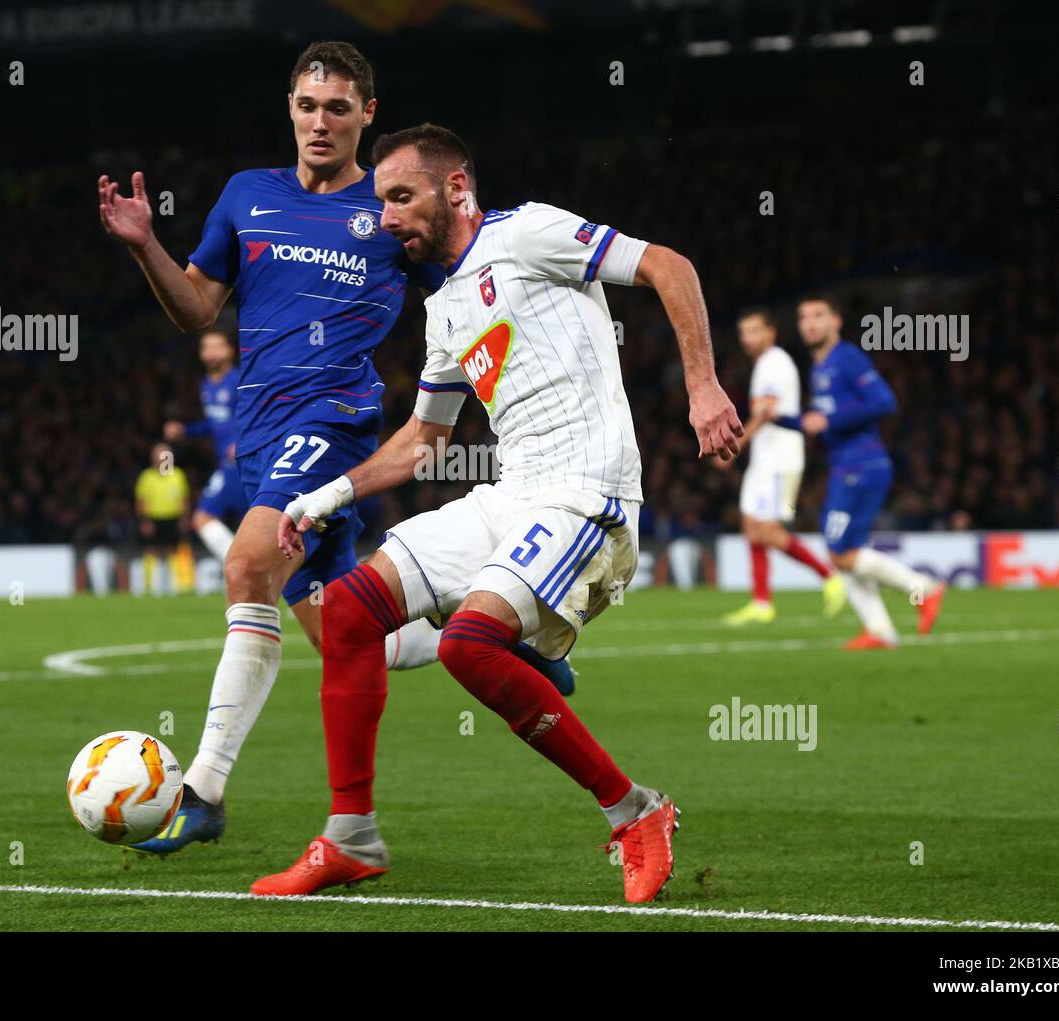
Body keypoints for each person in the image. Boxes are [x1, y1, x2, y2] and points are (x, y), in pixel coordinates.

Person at [99, 42, 570, 857]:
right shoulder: (248, 195)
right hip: (259, 430)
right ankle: (508, 640)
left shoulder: (390, 213)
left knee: (247, 564)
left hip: (334, 419)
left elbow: (468, 277)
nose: (322, 122)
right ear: (289, 107)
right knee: (348, 632)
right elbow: (196, 309)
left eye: (339, 108)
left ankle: (204, 789)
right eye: (309, 106)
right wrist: (146, 245)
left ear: (367, 115)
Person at [252, 123, 742, 903]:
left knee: (468, 646)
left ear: (455, 189)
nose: (385, 217)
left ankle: (635, 809)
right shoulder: (445, 305)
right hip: (512, 495)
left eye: (401, 197)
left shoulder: (531, 232)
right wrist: (326, 495)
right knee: (345, 613)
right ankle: (351, 835)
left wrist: (703, 385)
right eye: (380, 202)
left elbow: (667, 266)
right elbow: (424, 440)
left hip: (588, 491)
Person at [796, 295, 946, 649]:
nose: (810, 323)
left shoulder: (847, 358)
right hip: (847, 466)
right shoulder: (819, 368)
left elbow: (884, 401)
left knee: (839, 553)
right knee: (847, 553)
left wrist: (829, 420)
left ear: (836, 322)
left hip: (861, 466)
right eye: (804, 317)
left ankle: (924, 588)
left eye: (818, 315)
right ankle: (880, 631)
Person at [717, 307, 843, 625]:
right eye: (744, 332)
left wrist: (736, 446)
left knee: (768, 531)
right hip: (766, 458)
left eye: (754, 331)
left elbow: (766, 411)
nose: (748, 338)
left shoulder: (774, 363)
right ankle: (761, 603)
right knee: (751, 528)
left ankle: (831, 576)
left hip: (779, 459)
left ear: (770, 332)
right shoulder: (766, 364)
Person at [164, 328, 241, 563]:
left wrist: (243, 442)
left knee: (203, 517)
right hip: (227, 462)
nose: (210, 352)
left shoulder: (239, 381)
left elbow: (257, 415)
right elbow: (215, 423)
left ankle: (239, 566)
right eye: (206, 347)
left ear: (230, 351)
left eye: (217, 346)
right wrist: (185, 430)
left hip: (240, 461)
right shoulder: (207, 385)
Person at [134, 443, 192, 594]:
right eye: (158, 455)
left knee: (175, 551)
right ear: (152, 458)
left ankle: (179, 586)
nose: (162, 459)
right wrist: (144, 521)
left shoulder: (178, 475)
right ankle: (148, 587)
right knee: (151, 551)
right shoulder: (147, 477)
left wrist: (184, 518)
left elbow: (184, 499)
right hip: (153, 519)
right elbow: (141, 502)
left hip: (173, 517)